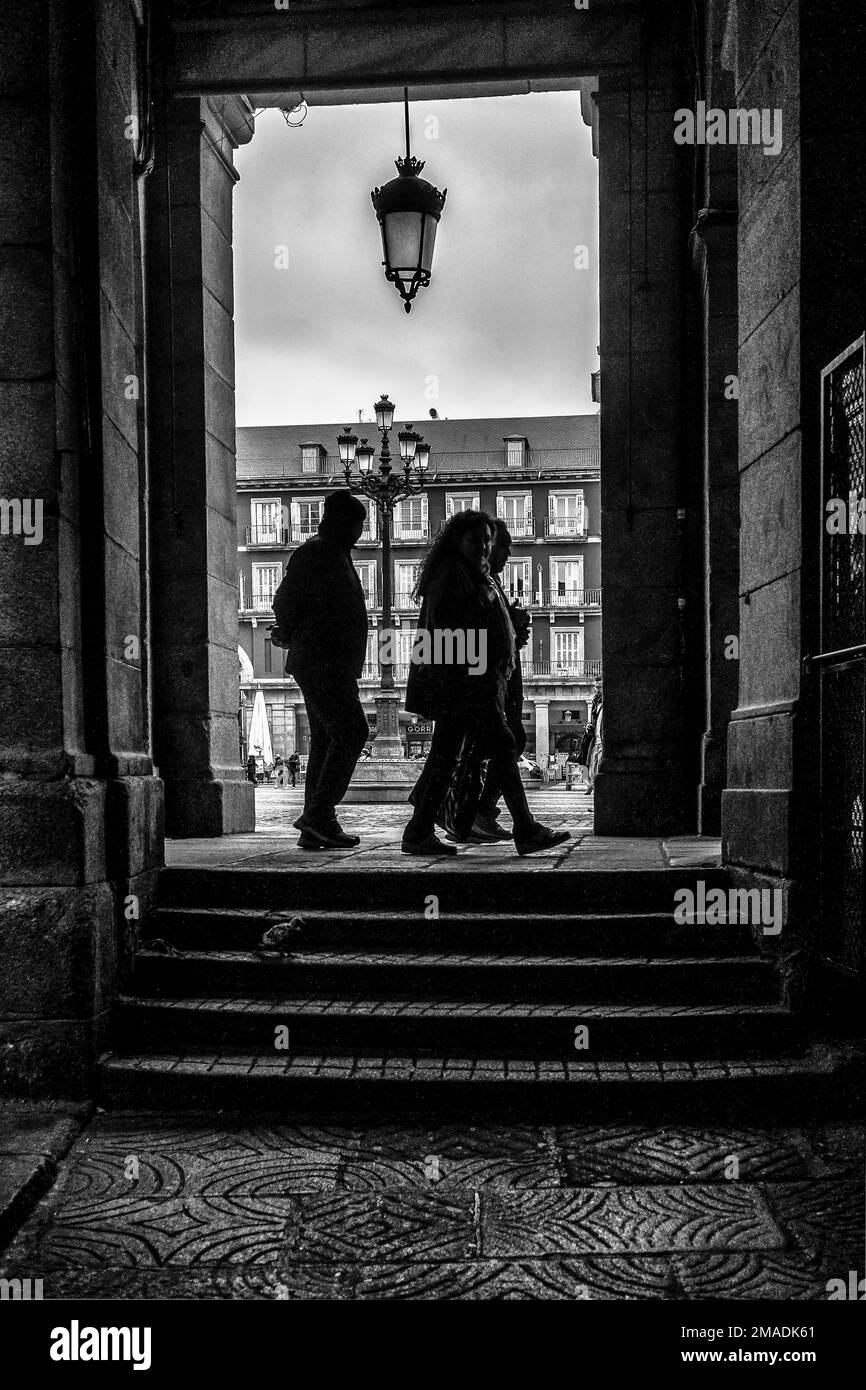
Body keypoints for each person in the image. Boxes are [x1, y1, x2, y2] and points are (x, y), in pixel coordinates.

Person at [404, 512, 570, 857]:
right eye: (476, 539)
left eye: (486, 540)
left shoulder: (468, 574)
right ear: (457, 539)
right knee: (503, 744)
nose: (483, 546)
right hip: (467, 684)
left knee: (448, 755)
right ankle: (523, 827)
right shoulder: (453, 577)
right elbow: (453, 634)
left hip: (471, 683)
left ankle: (419, 829)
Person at [271, 491, 369, 849]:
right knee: (353, 732)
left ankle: (314, 827)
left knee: (327, 740)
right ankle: (319, 814)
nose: (360, 533)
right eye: (357, 525)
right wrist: (292, 632)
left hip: (332, 663)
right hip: (322, 662)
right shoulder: (317, 552)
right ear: (341, 522)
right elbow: (284, 599)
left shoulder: (334, 553)